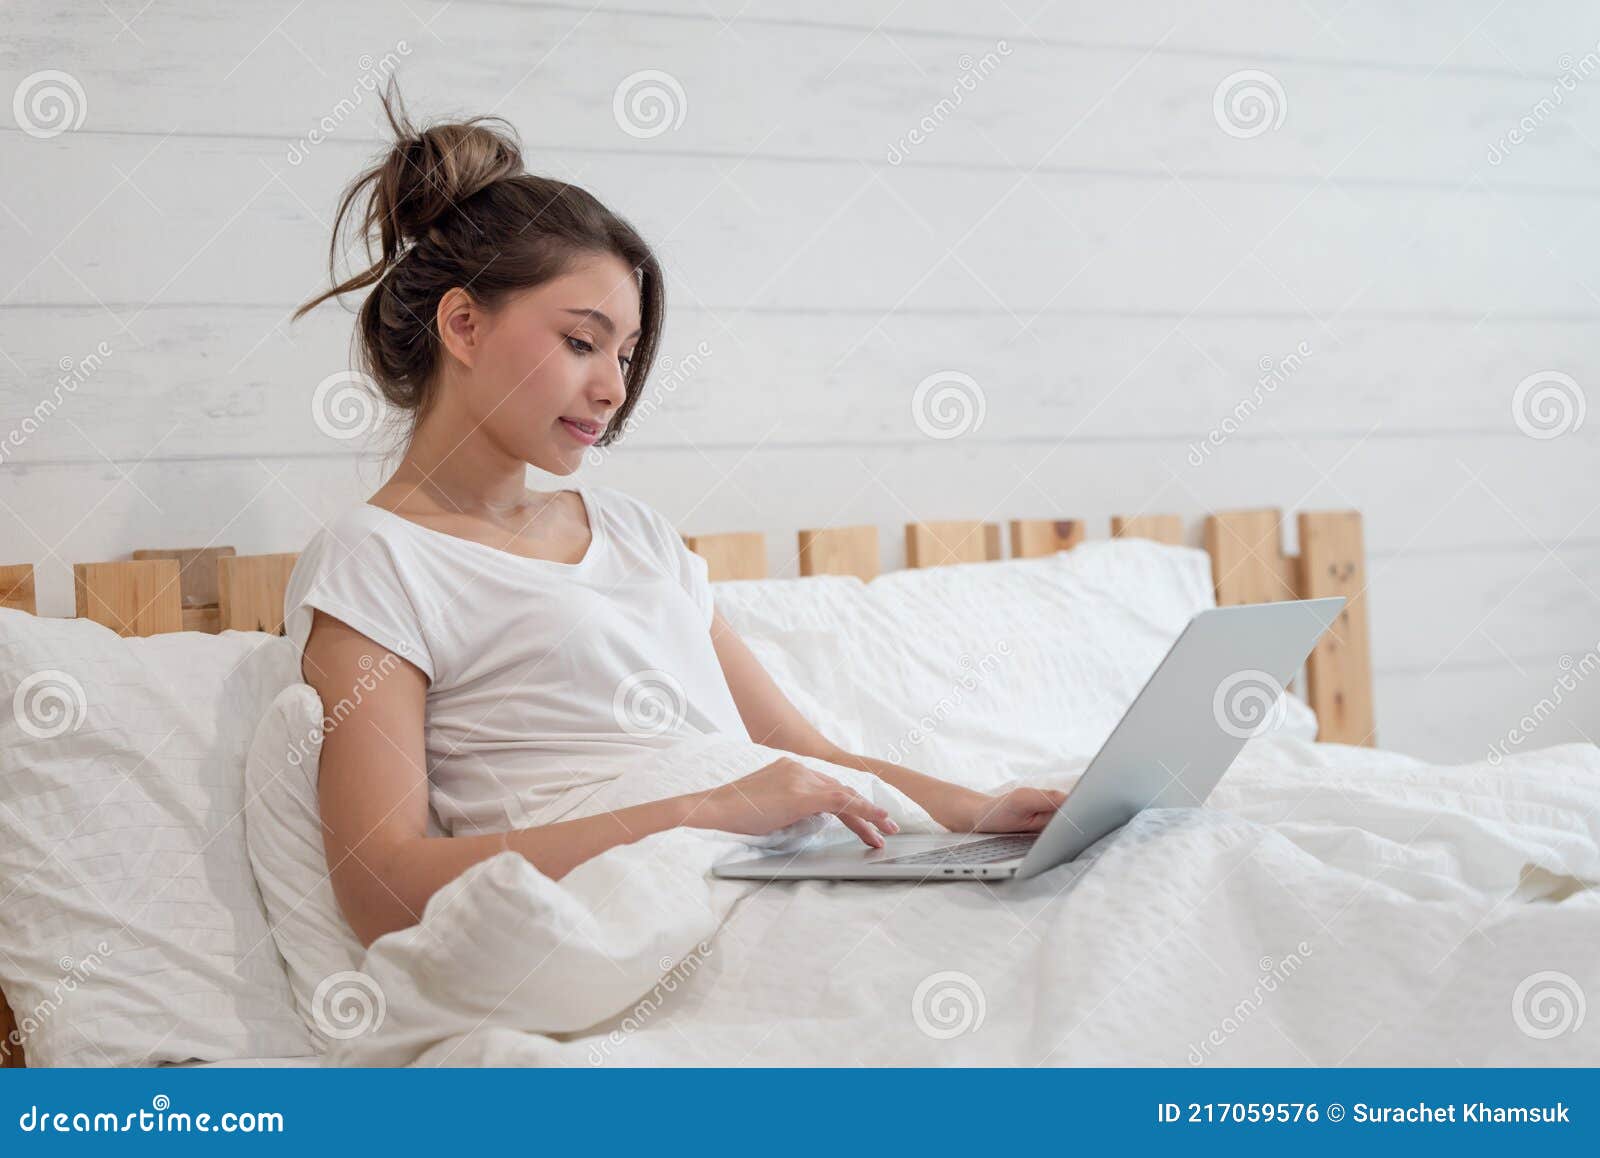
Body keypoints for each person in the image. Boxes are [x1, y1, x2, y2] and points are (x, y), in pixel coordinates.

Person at [285, 88, 1063, 947]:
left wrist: (977, 810)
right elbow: (380, 887)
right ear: (463, 326)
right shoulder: (377, 560)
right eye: (582, 342)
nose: (614, 389)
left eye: (623, 353)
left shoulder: (635, 533)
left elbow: (806, 752)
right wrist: (709, 812)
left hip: (777, 869)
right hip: (647, 910)